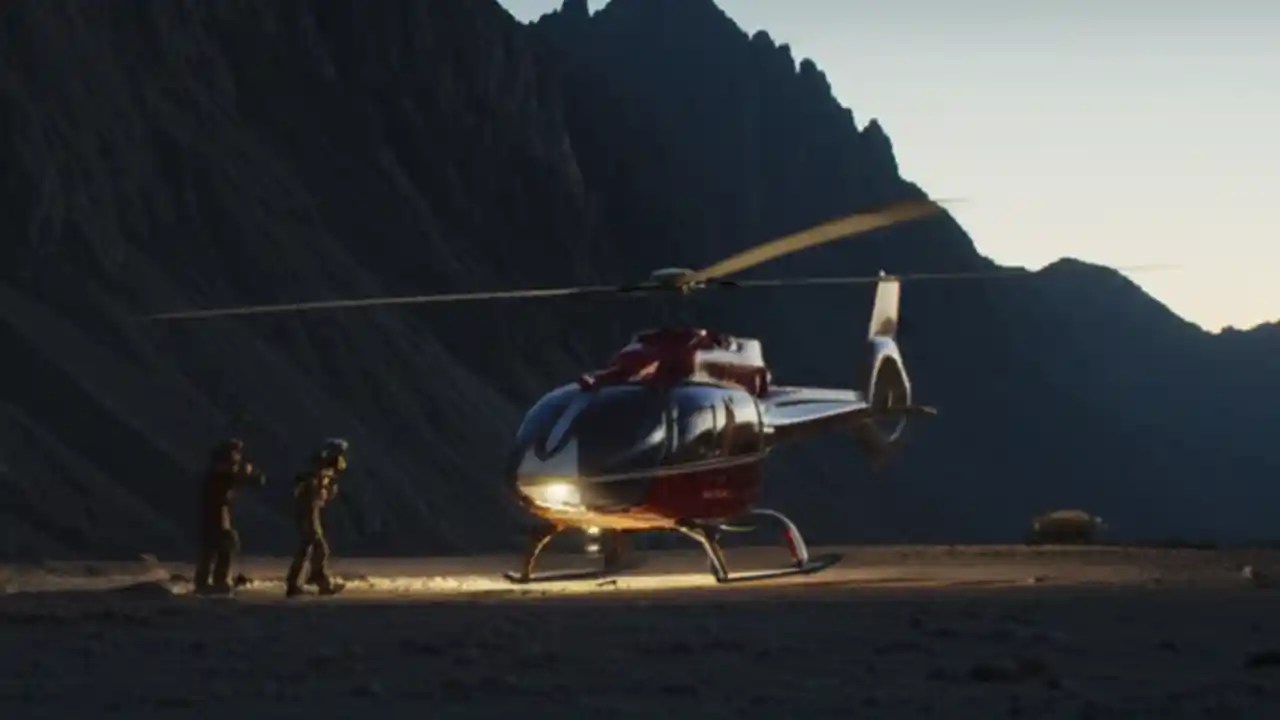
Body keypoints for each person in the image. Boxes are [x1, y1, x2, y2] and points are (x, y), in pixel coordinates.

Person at [194, 438, 267, 595]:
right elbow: (234, 479)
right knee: (222, 544)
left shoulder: (222, 471)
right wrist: (245, 473)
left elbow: (252, 479)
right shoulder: (220, 472)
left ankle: (209, 581)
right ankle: (214, 582)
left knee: (218, 546)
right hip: (215, 513)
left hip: (219, 512)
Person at [285, 439, 349, 597]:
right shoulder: (315, 469)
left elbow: (325, 491)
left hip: (311, 509)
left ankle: (317, 581)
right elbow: (303, 486)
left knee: (315, 547)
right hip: (307, 510)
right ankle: (303, 582)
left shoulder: (323, 470)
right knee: (314, 546)